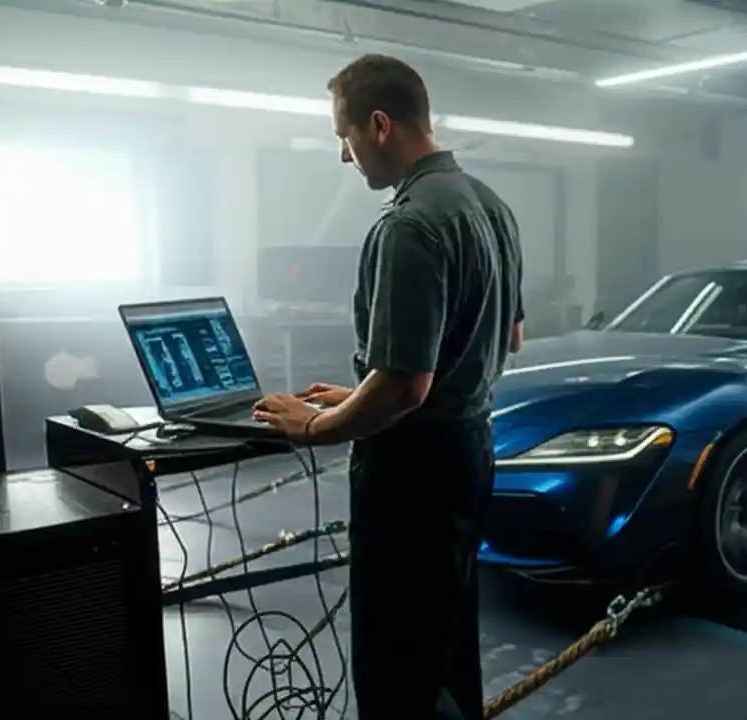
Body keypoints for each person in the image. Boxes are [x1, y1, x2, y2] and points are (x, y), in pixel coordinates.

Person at [252, 54, 524, 720]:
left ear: (379, 125)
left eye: (343, 138)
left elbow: (406, 387)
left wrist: (316, 425)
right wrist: (354, 396)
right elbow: (504, 339)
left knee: (395, 665)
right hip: (469, 457)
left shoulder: (409, 226)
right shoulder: (490, 206)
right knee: (446, 645)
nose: (345, 159)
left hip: (412, 475)